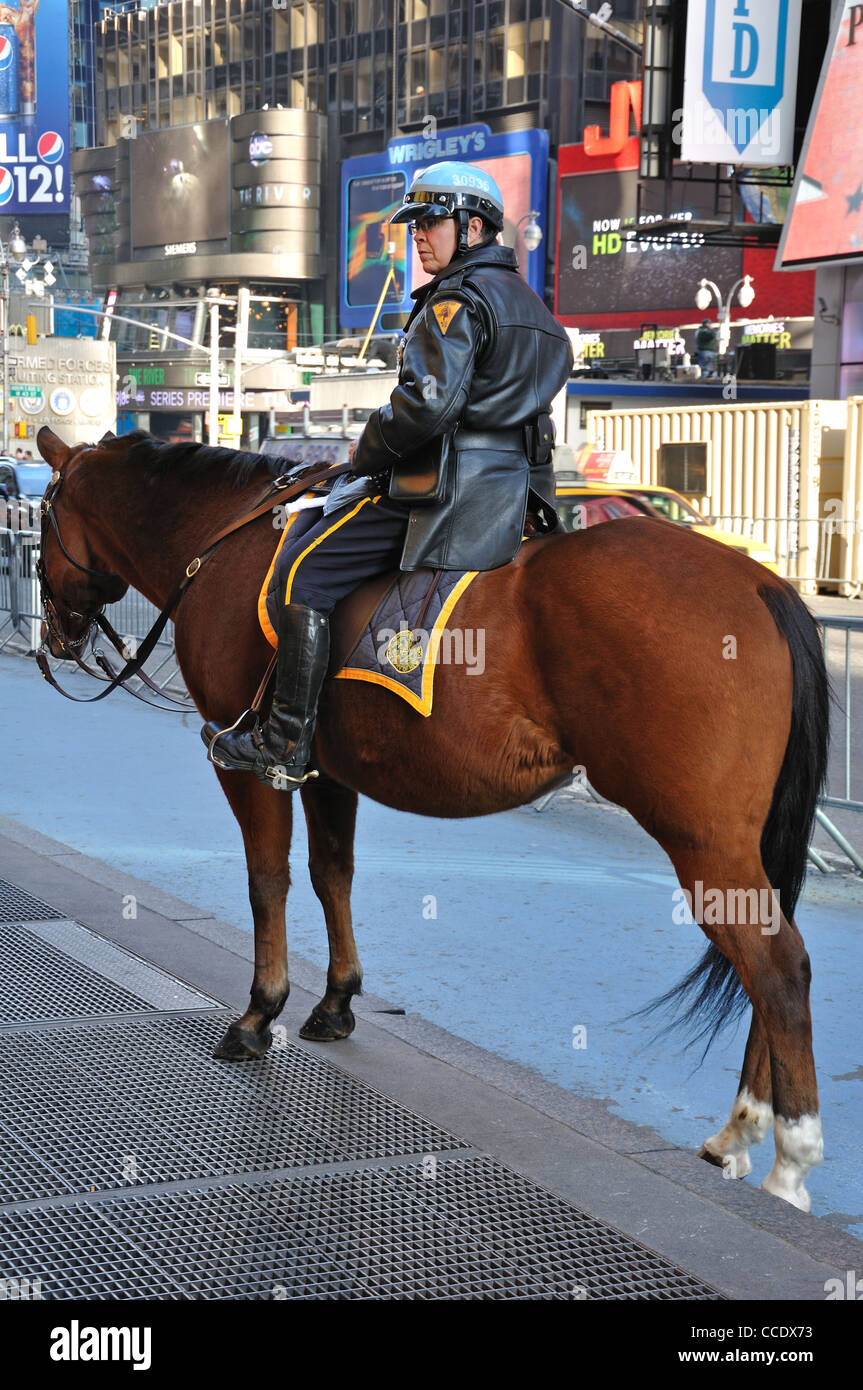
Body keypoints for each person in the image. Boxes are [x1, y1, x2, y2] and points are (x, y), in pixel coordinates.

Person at [204, 160, 574, 789]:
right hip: (518, 498)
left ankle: (286, 740)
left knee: (302, 572)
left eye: (431, 222)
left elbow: (424, 408)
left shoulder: (458, 301)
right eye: (415, 225)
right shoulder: (540, 315)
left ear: (476, 227)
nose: (418, 236)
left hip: (441, 495)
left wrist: (365, 453)